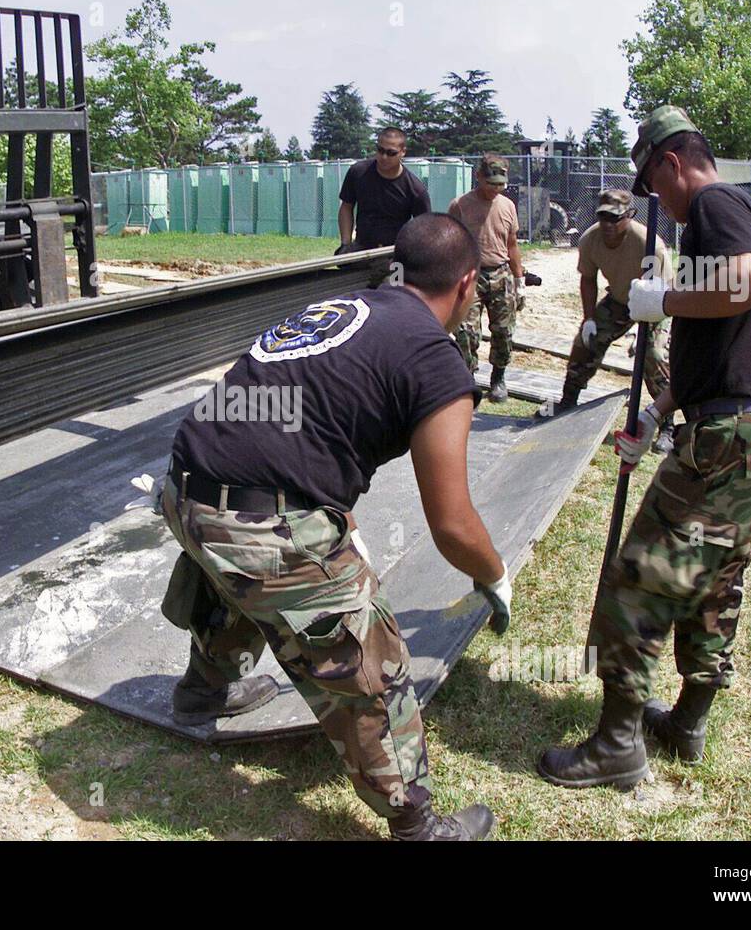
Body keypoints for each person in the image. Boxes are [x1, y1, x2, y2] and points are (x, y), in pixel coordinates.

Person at [159, 213, 510, 840]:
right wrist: (494, 574)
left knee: (234, 575)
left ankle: (201, 694)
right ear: (465, 284)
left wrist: (327, 509)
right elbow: (453, 523)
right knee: (368, 655)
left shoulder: (344, 307)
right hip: (254, 525)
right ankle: (417, 821)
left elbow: (296, 418)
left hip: (183, 492)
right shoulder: (436, 360)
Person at [537, 105, 751, 788]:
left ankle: (616, 746)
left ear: (671, 163)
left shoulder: (713, 203)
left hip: (727, 442)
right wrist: (659, 411)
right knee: (714, 582)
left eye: (655, 186)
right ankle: (686, 723)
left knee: (640, 580)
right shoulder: (737, 215)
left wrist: (665, 300)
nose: (660, 204)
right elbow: (745, 345)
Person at [540, 188, 676, 453]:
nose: (608, 225)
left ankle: (668, 426)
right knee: (585, 341)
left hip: (655, 302)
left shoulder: (649, 244)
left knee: (655, 354)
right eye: (603, 217)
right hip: (621, 300)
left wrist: (644, 331)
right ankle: (568, 400)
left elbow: (664, 289)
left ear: (630, 216)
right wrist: (589, 318)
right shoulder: (590, 240)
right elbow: (588, 278)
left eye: (615, 218)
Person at [447, 154, 525, 402]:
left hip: (501, 274)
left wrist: (519, 280)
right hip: (470, 274)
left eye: (500, 184)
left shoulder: (508, 206)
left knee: (503, 331)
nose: (496, 189)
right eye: (491, 183)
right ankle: (468, 380)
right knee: (466, 333)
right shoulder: (460, 205)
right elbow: (451, 243)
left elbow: (512, 245)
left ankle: (498, 378)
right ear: (478, 177)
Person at [337, 127, 430, 286]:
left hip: (394, 257)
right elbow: (346, 206)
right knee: (355, 302)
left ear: (403, 152)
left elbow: (425, 228)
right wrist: (346, 244)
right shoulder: (358, 172)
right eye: (380, 150)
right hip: (361, 251)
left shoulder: (415, 189)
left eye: (391, 153)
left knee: (393, 302)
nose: (384, 157)